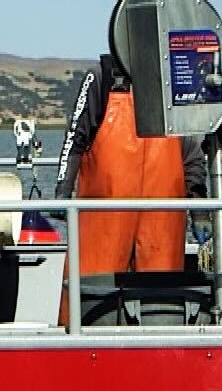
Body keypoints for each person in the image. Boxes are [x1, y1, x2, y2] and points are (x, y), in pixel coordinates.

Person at [52, 54, 194, 275]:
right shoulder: (100, 78)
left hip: (162, 222)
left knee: (161, 297)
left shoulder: (177, 83)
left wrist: (201, 210)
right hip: (103, 217)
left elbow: (192, 155)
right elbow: (74, 140)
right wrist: (63, 191)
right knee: (90, 290)